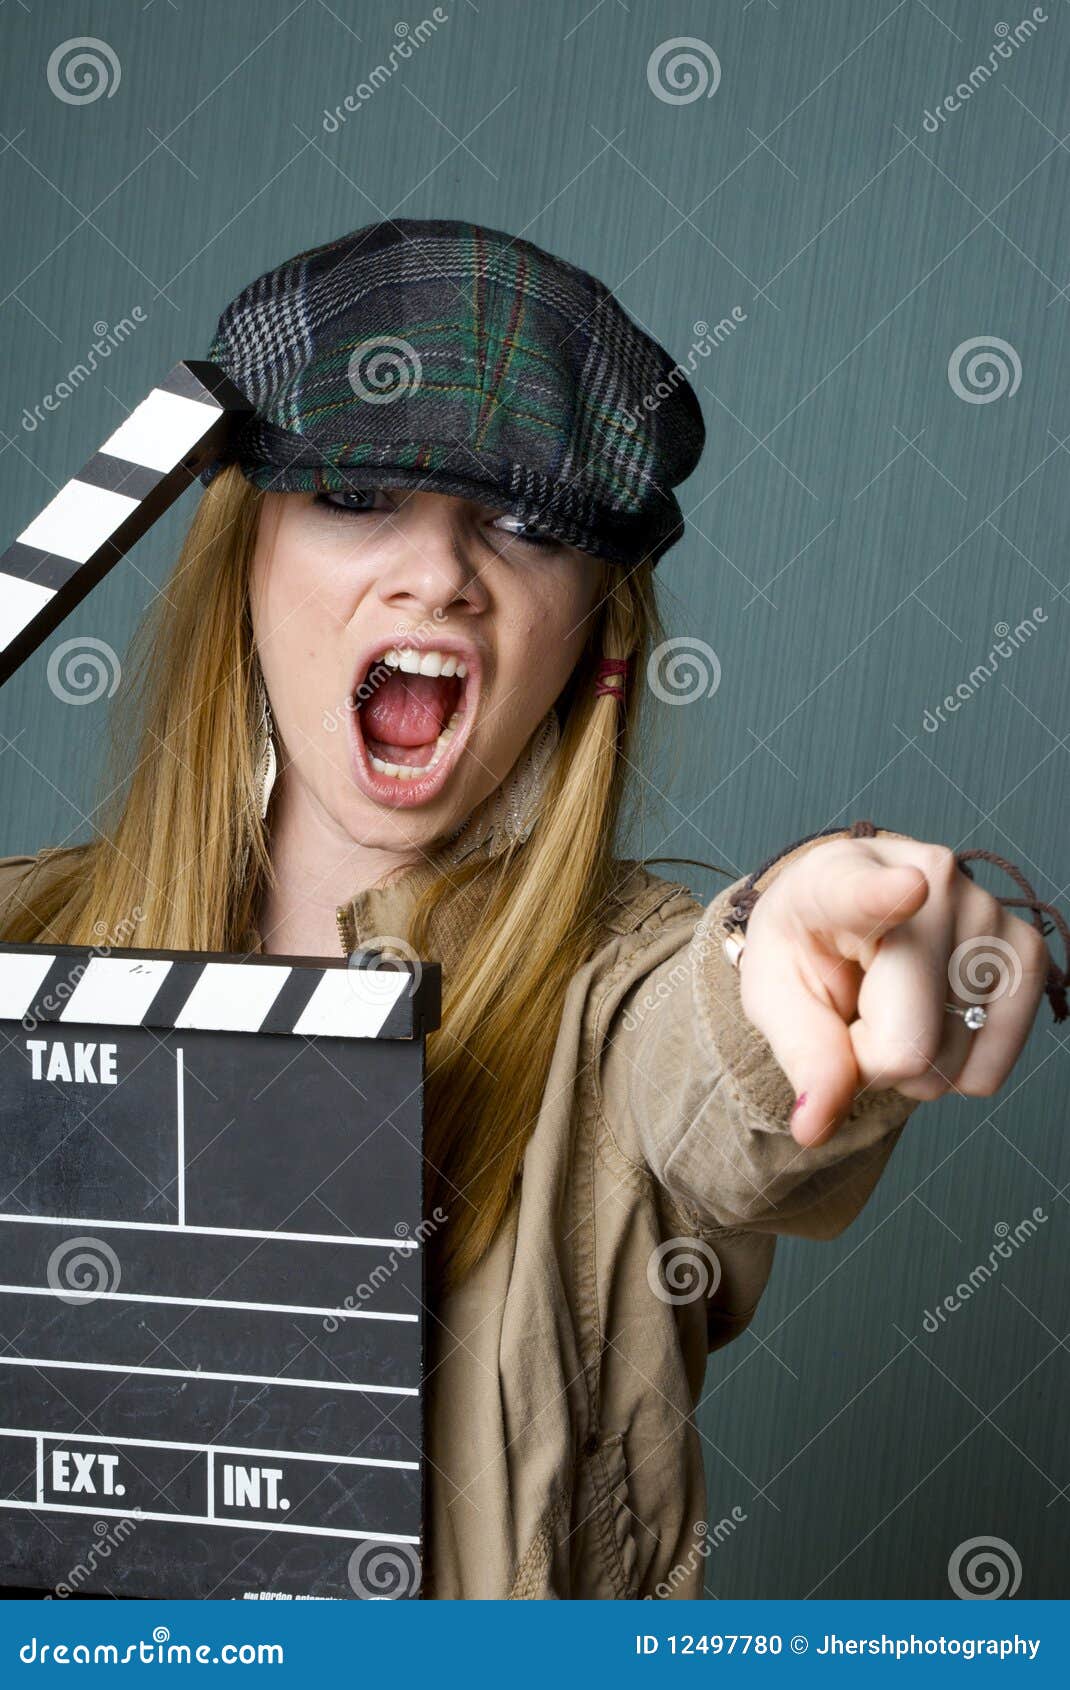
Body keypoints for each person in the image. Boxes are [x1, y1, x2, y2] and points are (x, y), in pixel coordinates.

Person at [0, 220, 1060, 1600]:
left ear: (589, 632)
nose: (439, 575)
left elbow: (720, 1063)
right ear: (245, 557)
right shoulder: (23, 942)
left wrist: (814, 946)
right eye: (361, 494)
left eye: (527, 524)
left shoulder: (617, 1002)